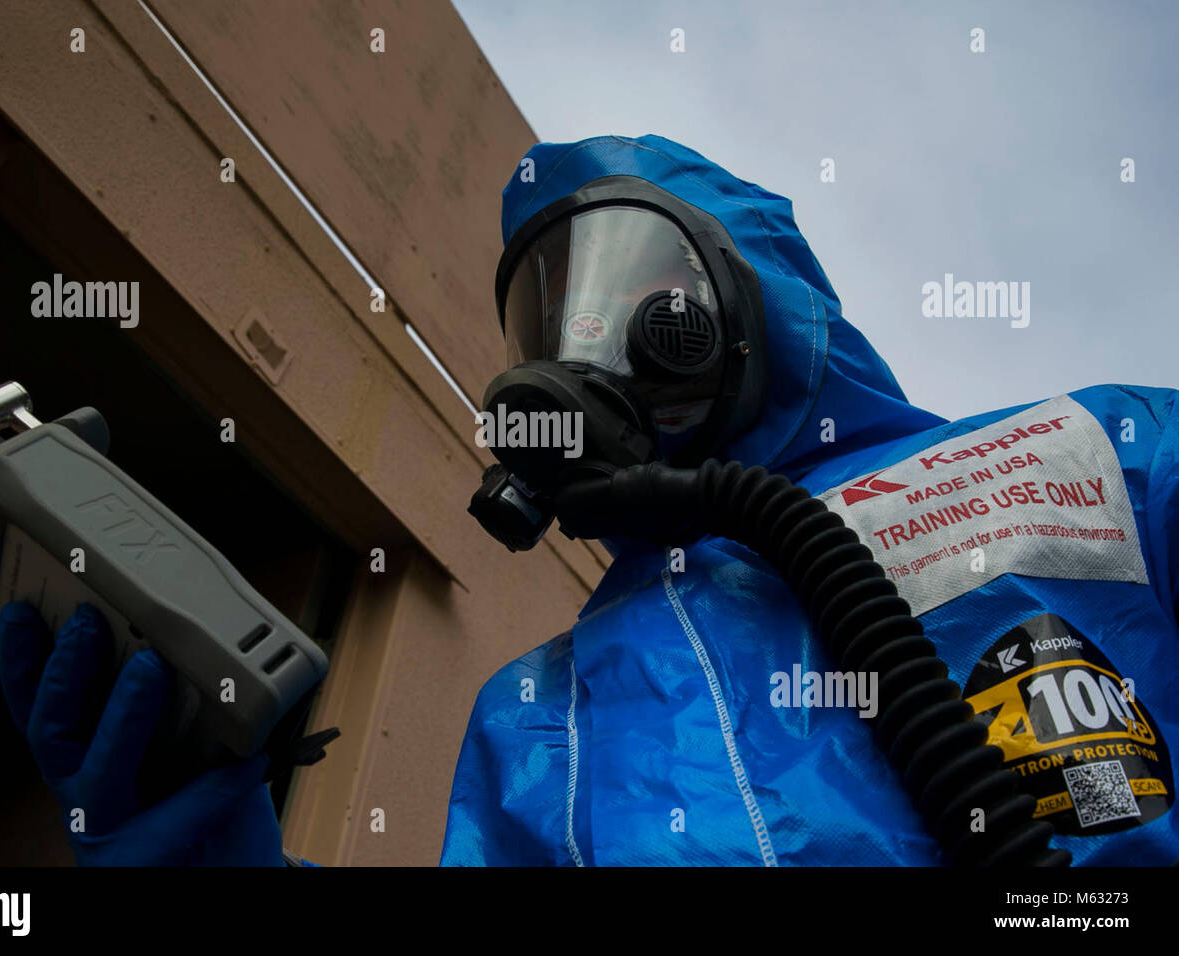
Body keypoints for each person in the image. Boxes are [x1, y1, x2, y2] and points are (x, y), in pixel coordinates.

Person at [441, 134, 1179, 866]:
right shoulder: (531, 711)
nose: (586, 334)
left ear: (737, 293)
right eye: (556, 312)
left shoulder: (1093, 451)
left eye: (626, 279)